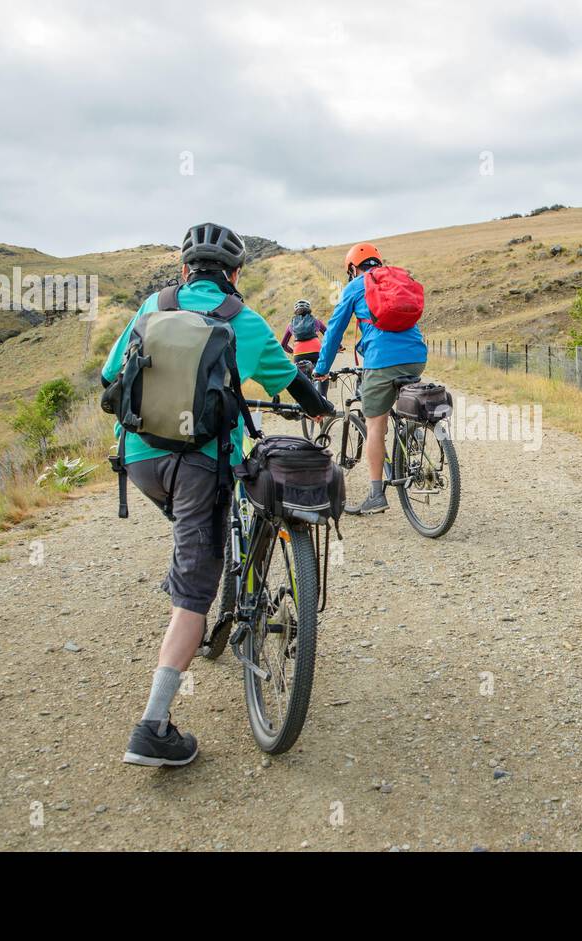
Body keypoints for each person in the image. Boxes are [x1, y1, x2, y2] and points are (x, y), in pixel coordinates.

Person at [101, 222, 333, 767]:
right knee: (193, 591)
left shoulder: (150, 307)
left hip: (139, 459)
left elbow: (111, 378)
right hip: (201, 464)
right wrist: (320, 407)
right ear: (234, 275)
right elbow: (292, 385)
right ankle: (152, 729)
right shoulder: (242, 321)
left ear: (184, 270)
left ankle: (203, 561)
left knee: (194, 534)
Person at [313, 242, 426, 515]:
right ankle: (414, 431)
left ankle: (376, 495)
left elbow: (334, 333)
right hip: (416, 355)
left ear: (353, 268)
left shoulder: (354, 287)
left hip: (381, 361)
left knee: (375, 423)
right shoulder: (397, 278)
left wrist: (321, 368)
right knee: (400, 395)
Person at [281, 299, 327, 370]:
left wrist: (292, 351)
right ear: (309, 309)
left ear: (296, 311)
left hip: (299, 353)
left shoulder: (291, 324)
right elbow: (329, 335)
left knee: (301, 378)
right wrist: (339, 346)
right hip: (316, 351)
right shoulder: (316, 321)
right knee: (321, 374)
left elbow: (283, 344)